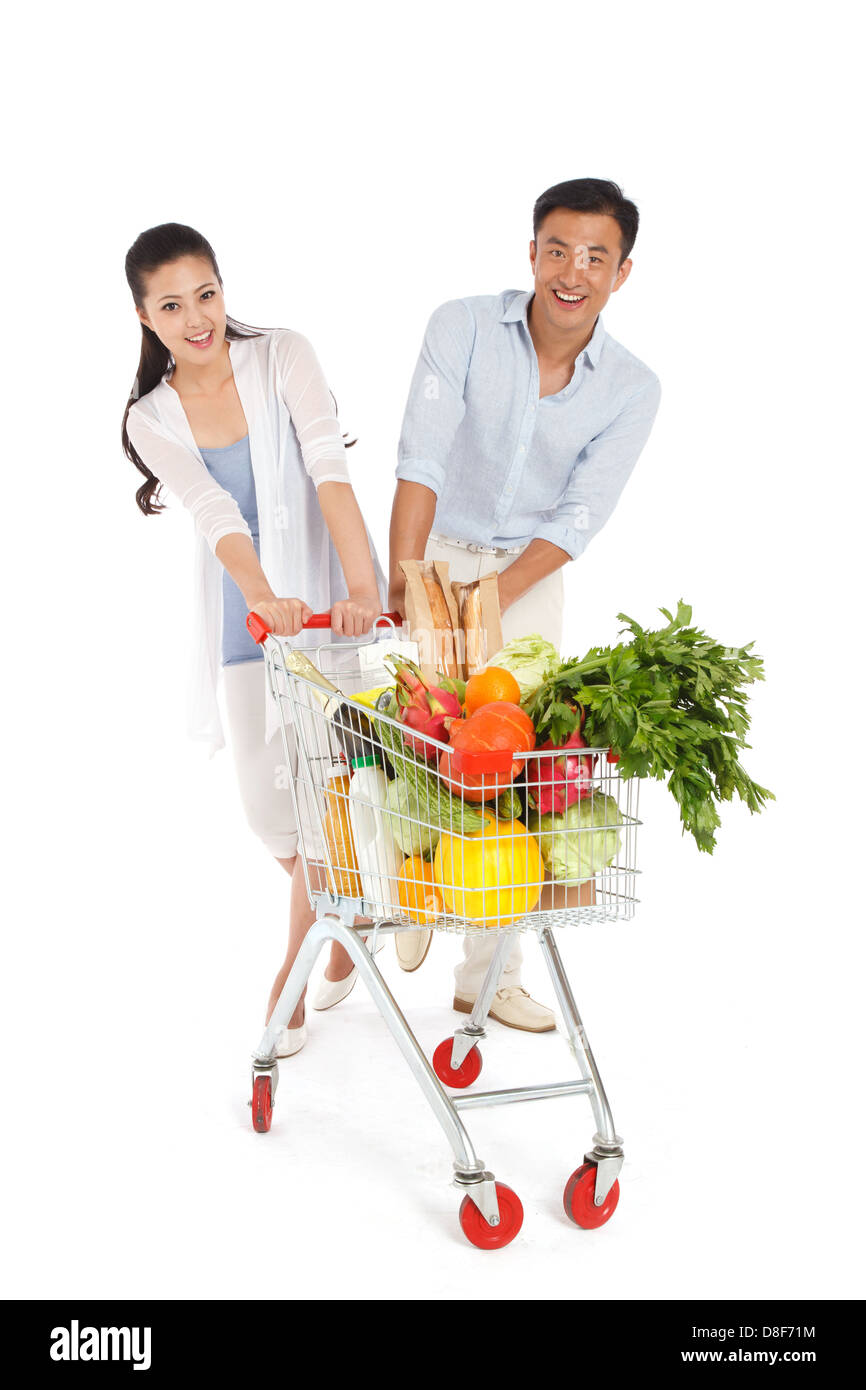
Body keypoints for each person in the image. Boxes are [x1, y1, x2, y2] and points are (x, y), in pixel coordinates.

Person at [387, 178, 662, 1032]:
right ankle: (413, 894)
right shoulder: (462, 325)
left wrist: (495, 598)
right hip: (434, 549)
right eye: (558, 249)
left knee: (518, 767)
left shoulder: (631, 387)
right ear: (531, 253)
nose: (572, 271)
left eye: (595, 257)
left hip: (530, 575)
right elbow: (422, 459)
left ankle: (488, 976)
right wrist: (409, 584)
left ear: (622, 272)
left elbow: (580, 515)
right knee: (414, 739)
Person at [122, 222, 388, 1058]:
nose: (197, 317)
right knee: (269, 811)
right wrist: (265, 596)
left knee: (327, 805)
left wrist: (362, 590)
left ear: (222, 289)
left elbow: (327, 468)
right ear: (144, 315)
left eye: (207, 293)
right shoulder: (150, 417)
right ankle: (351, 927)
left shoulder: (283, 355)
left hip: (331, 610)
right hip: (252, 614)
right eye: (173, 304)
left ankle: (293, 971)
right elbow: (213, 512)